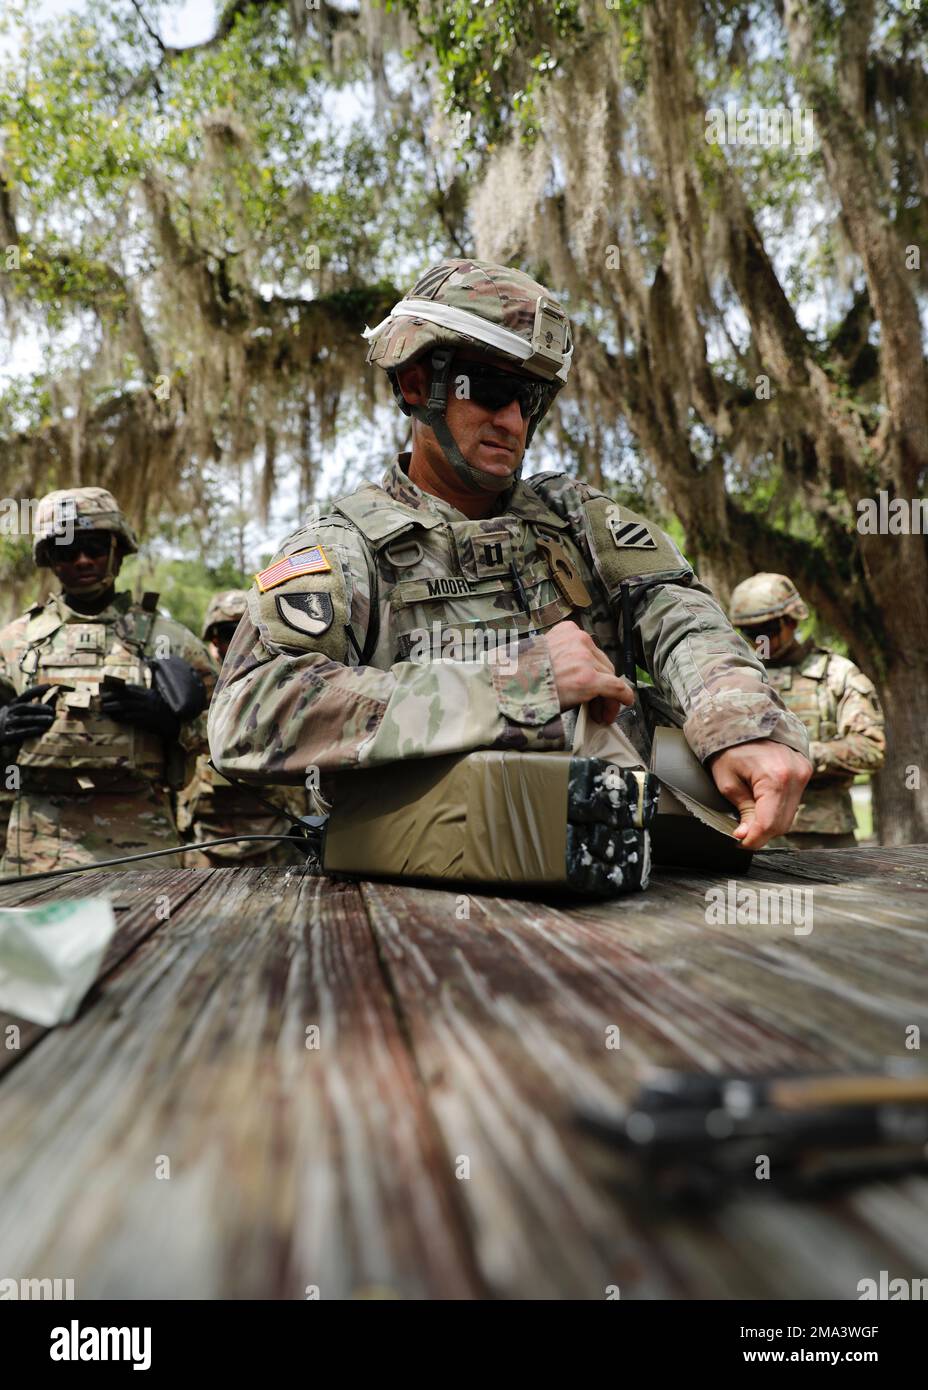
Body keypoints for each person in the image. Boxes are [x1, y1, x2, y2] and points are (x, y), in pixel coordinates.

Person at [209, 259, 810, 852]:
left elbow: (679, 614)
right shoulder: (344, 546)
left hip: (618, 865)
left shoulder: (574, 518)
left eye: (531, 397)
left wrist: (739, 725)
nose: (514, 421)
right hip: (428, 882)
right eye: (493, 389)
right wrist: (516, 683)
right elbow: (249, 712)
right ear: (417, 382)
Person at [0, 488, 216, 875]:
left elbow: (231, 730)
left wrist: (174, 725)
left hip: (142, 840)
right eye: (67, 550)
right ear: (49, 558)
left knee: (148, 935)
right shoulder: (13, 641)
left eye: (95, 547)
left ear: (117, 549)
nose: (83, 560)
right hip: (36, 845)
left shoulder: (168, 639)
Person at [729, 572, 885, 849]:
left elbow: (871, 748)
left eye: (767, 630)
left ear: (791, 620)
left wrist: (799, 754)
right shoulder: (734, 677)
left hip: (823, 837)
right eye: (749, 633)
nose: (758, 641)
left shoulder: (836, 674)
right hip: (745, 832)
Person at [175, 590, 305, 866]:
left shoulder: (286, 680)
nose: (239, 641)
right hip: (206, 844)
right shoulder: (192, 686)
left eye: (247, 630)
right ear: (214, 640)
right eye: (228, 633)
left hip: (277, 840)